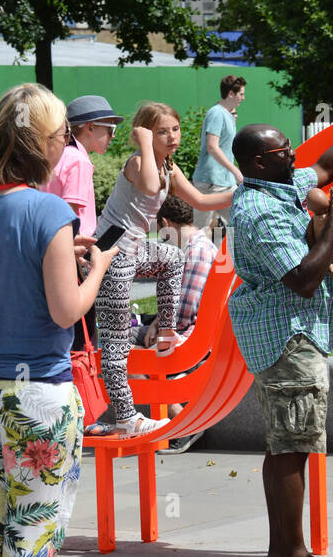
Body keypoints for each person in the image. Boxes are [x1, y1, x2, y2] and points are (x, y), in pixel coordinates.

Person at [0, 83, 118, 557]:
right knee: (34, 541)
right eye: (61, 136)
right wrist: (98, 268)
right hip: (39, 398)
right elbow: (66, 309)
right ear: (44, 144)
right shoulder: (50, 212)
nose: (65, 145)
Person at [228, 123, 333, 557]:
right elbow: (302, 280)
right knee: (292, 447)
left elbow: (327, 164)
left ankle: (278, 550)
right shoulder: (259, 211)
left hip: (292, 335)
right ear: (259, 163)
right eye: (285, 151)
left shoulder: (284, 183)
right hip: (287, 337)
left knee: (286, 446)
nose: (294, 156)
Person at [91, 102, 234, 436]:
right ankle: (124, 417)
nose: (172, 136)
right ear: (143, 133)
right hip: (110, 255)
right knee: (114, 341)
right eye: (161, 131)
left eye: (175, 129)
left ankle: (167, 328)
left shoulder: (169, 168)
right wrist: (141, 141)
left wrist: (245, 190)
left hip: (135, 250)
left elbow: (201, 202)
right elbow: (151, 187)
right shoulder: (138, 163)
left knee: (171, 256)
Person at [129, 195, 221, 454]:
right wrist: (157, 320)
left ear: (167, 223)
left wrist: (159, 327)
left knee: (120, 346)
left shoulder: (195, 253)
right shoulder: (202, 246)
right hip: (195, 332)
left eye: (161, 232)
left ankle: (182, 421)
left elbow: (183, 313)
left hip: (190, 341)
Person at [43, 94, 124, 238]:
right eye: (111, 129)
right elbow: (69, 214)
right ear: (90, 128)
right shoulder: (79, 161)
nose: (113, 136)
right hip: (73, 248)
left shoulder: (60, 155)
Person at [190, 74, 246, 232]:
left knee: (238, 223)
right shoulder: (216, 113)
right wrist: (235, 170)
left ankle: (232, 255)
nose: (243, 97)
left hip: (226, 182)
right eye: (241, 94)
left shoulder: (227, 114)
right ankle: (189, 255)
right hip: (211, 182)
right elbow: (212, 147)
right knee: (199, 230)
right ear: (230, 94)